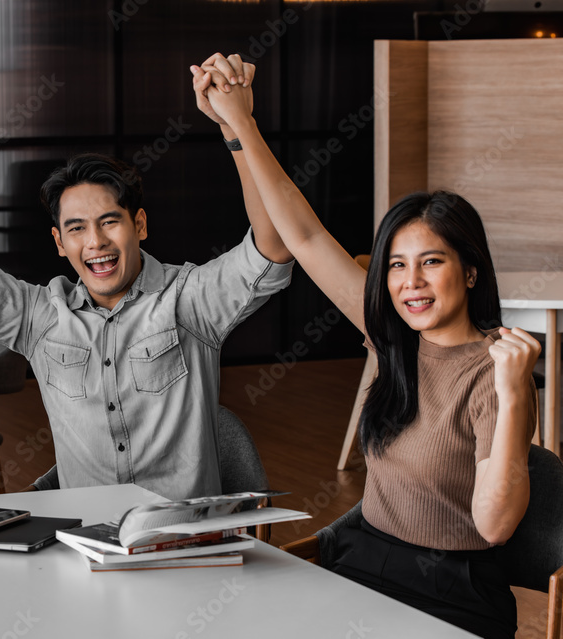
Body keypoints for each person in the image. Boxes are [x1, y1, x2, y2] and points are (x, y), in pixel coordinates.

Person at [193, 53, 539, 638]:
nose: (411, 283)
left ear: (471, 272)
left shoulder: (495, 373)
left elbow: (495, 525)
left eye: (432, 262)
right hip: (361, 558)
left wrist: (512, 393)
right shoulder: (391, 333)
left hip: (451, 590)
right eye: (397, 266)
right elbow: (302, 235)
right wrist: (237, 128)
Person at [0, 62, 294, 501]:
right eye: (76, 229)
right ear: (59, 242)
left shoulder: (187, 302)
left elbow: (274, 246)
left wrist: (237, 127)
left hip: (183, 547)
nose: (95, 242)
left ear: (140, 225)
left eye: (110, 222)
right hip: (86, 549)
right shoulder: (41, 318)